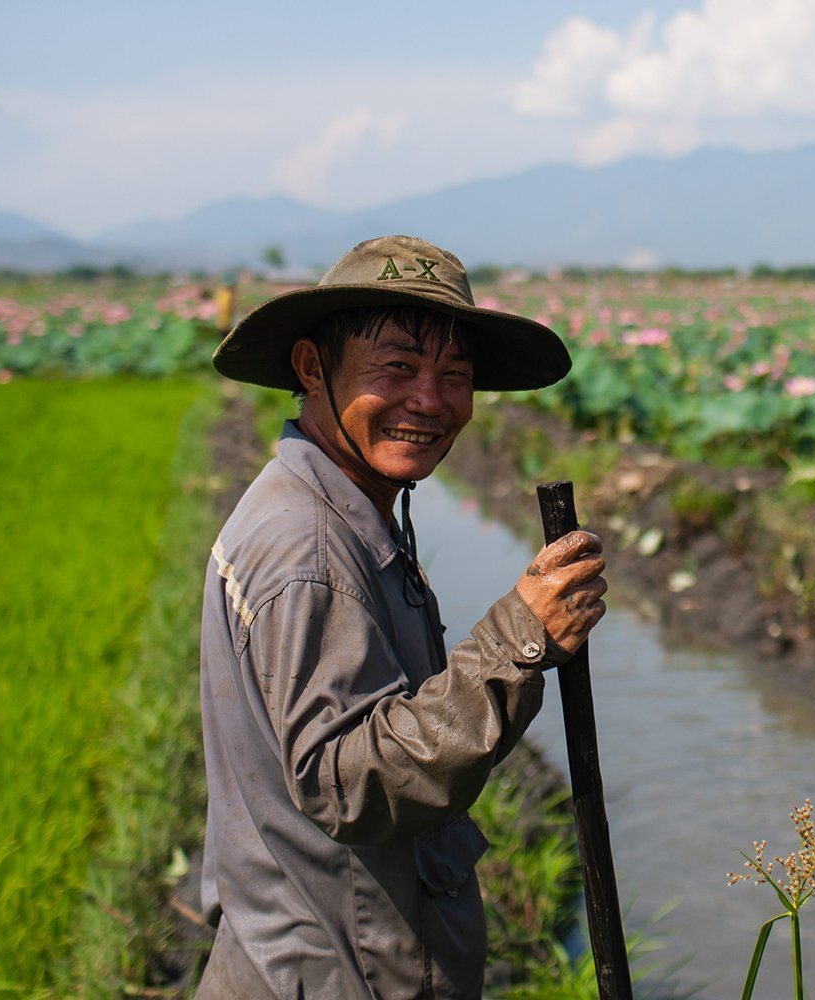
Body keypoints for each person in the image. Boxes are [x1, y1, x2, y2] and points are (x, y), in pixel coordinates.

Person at [197, 235, 607, 998]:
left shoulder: (340, 510)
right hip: (339, 973)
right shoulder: (309, 551)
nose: (430, 400)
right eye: (398, 369)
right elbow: (349, 780)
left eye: (455, 376)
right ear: (312, 368)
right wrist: (519, 636)